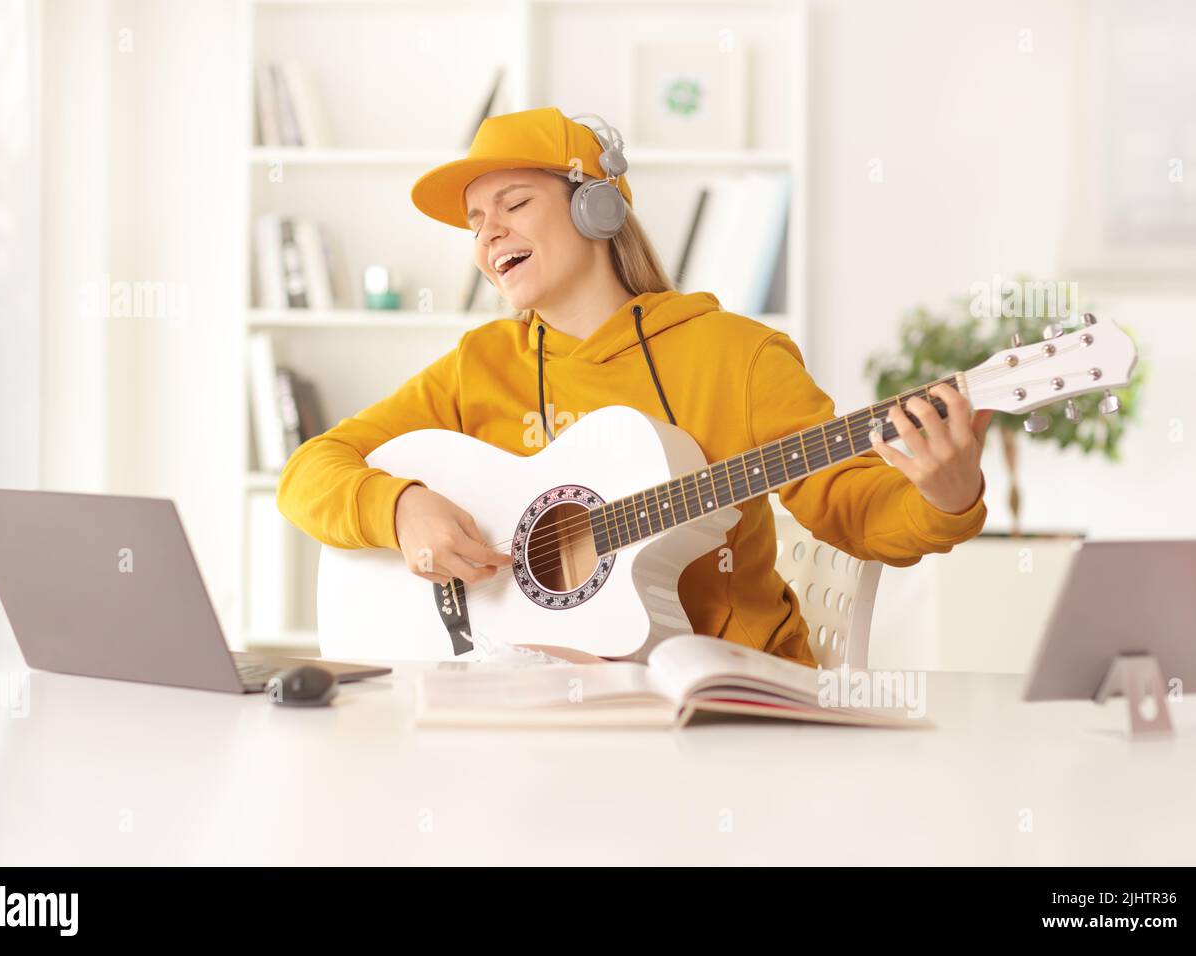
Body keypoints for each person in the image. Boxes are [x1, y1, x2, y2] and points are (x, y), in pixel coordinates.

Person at [276, 107, 992, 666]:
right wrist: (398, 507)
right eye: (474, 221)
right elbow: (308, 474)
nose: (488, 235)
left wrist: (946, 495)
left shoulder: (736, 356)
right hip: (545, 704)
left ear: (597, 207)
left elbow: (850, 507)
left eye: (514, 204)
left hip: (720, 705)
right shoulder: (478, 365)